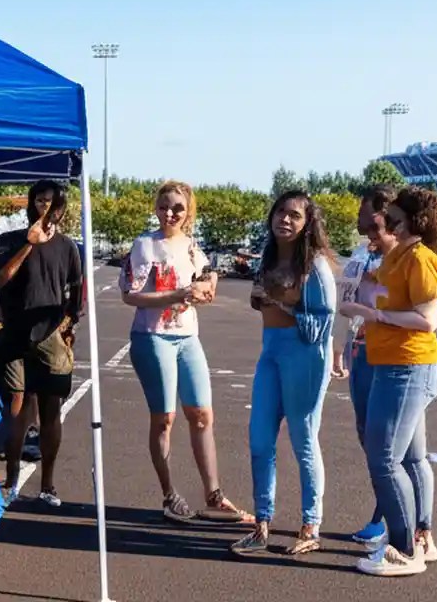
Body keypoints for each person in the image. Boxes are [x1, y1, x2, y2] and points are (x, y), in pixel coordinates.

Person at [119, 181, 250, 523]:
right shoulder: (145, 245)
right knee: (165, 419)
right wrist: (178, 295)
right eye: (164, 206)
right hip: (153, 336)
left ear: (188, 211)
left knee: (202, 414)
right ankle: (169, 494)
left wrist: (208, 286)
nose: (170, 213)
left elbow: (205, 276)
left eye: (178, 207)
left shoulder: (192, 246)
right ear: (155, 208)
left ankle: (214, 494)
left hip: (187, 336)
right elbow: (130, 295)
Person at [341, 187, 437, 577]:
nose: (387, 225)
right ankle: (420, 539)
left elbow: (427, 320)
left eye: (395, 219)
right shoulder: (401, 256)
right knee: (410, 457)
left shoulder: (419, 258)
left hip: (407, 366)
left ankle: (405, 549)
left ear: (415, 222)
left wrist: (372, 314)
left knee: (384, 459)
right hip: (395, 364)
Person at [231, 190, 337, 556]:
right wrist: (261, 299)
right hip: (271, 352)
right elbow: (264, 302)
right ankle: (262, 523)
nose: (285, 220)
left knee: (303, 439)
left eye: (294, 215)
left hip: (305, 356)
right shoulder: (269, 257)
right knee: (260, 440)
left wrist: (281, 303)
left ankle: (311, 525)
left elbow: (324, 322)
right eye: (280, 212)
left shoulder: (315, 265)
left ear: (308, 223)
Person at [0, 180, 82, 509]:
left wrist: (69, 326)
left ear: (62, 210)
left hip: (51, 335)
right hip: (14, 334)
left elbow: (75, 293)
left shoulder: (68, 247)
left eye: (53, 204)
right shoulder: (8, 241)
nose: (46, 208)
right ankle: (11, 480)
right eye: (41, 201)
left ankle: (47, 484)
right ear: (31, 203)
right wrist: (29, 243)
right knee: (17, 407)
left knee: (50, 410)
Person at [335, 185, 397, 547]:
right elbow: (347, 302)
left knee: (390, 443)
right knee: (367, 437)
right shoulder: (362, 253)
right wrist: (341, 346)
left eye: (364, 209)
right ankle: (386, 511)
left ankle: (396, 519)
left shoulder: (402, 253)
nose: (358, 215)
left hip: (390, 354)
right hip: (360, 351)